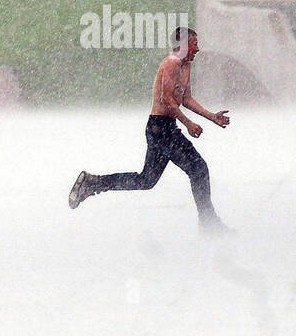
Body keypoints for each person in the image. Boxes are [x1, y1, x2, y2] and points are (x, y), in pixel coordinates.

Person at [69, 26, 232, 234]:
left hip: (164, 128)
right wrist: (187, 123)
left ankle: (93, 182)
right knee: (198, 169)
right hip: (160, 128)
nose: (197, 49)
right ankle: (209, 225)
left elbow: (186, 99)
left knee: (146, 180)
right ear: (181, 45)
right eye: (194, 44)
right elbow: (167, 100)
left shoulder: (185, 66)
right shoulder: (171, 64)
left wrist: (212, 117)